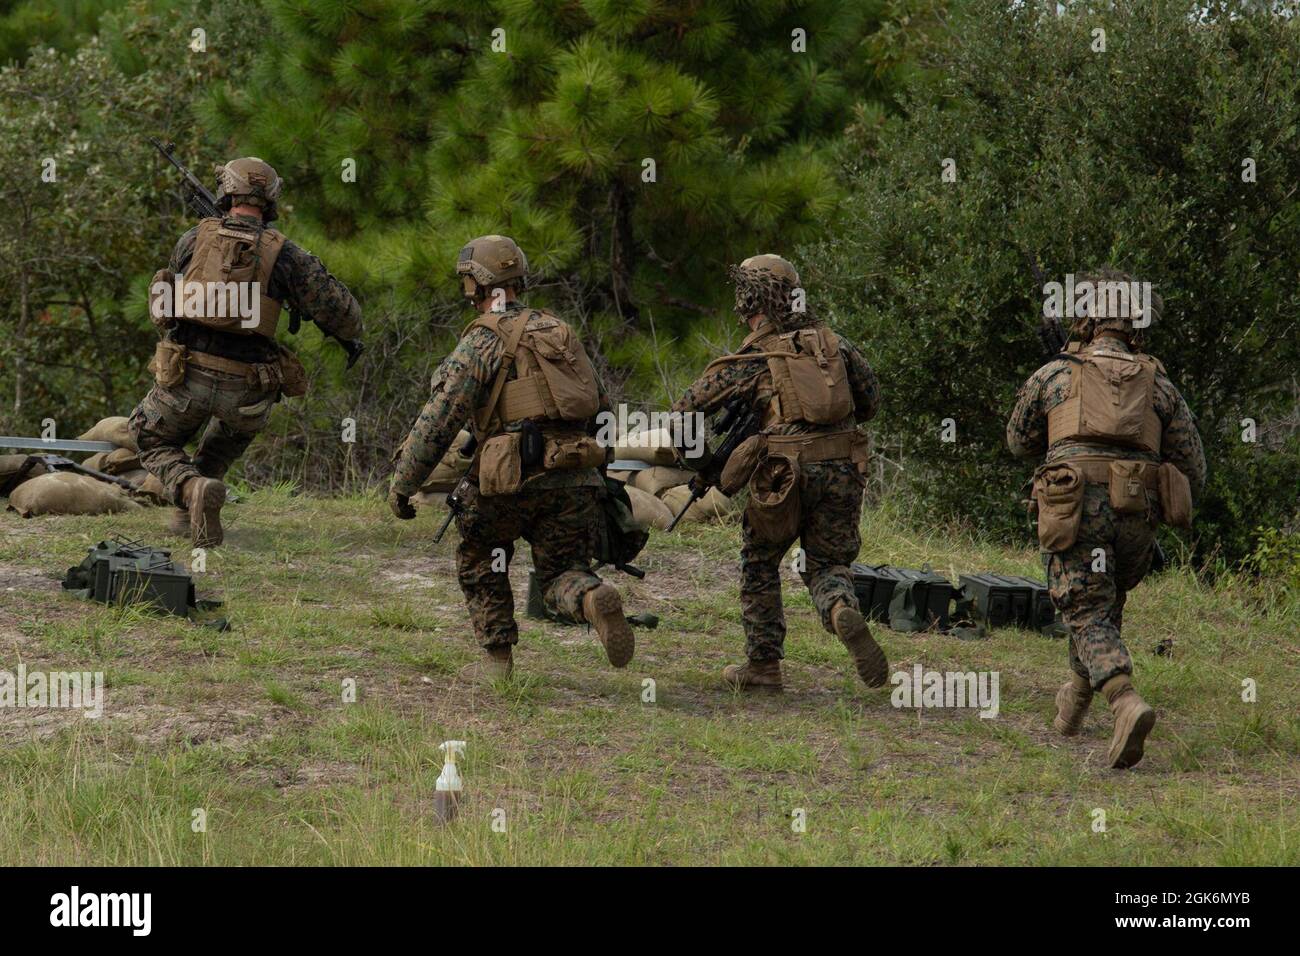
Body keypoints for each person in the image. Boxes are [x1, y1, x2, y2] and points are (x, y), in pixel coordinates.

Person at [389, 235, 634, 681]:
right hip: (573, 473)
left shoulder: (482, 340)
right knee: (562, 571)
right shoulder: (559, 331)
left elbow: (440, 418)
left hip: (507, 479)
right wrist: (601, 471)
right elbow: (601, 405)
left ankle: (499, 662)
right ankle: (590, 597)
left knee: (481, 554)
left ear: (475, 285)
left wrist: (405, 483)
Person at [1007, 268, 1206, 768]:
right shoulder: (1159, 384)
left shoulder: (1056, 373)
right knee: (1104, 599)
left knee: (1086, 608)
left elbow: (1017, 441)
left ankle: (1124, 701)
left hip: (1075, 510)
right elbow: (1193, 466)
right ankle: (1072, 706)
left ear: (1086, 316)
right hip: (1136, 513)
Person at [669, 254, 886, 692]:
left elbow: (684, 411)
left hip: (783, 475)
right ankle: (840, 608)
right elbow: (870, 403)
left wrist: (703, 464)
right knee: (827, 562)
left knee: (761, 561)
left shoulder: (752, 358)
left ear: (750, 301)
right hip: (844, 465)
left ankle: (763, 668)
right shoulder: (834, 344)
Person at [129, 156, 362, 547]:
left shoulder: (192, 238)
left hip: (186, 378)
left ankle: (189, 488)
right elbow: (345, 316)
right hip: (248, 390)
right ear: (270, 199)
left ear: (227, 192)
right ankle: (197, 500)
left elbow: (165, 310)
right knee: (226, 438)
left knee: (150, 437)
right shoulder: (287, 255)